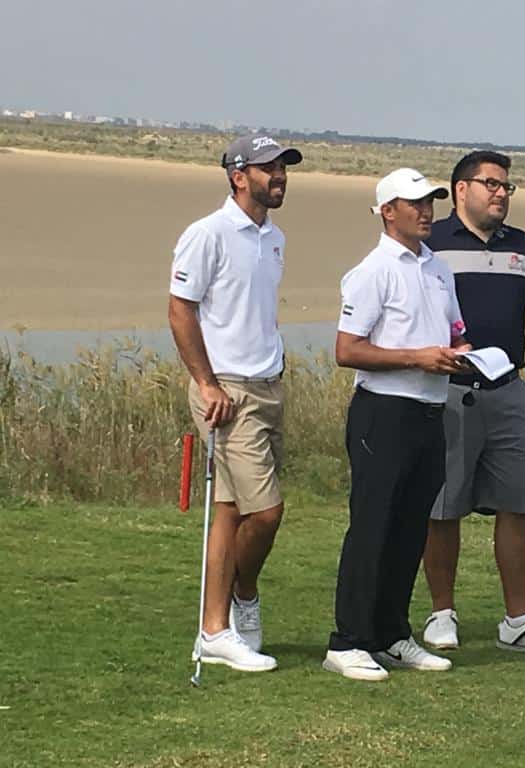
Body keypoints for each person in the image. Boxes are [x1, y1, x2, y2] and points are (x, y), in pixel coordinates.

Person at [421, 151, 525, 657]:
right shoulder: (432, 243)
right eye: (490, 184)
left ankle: (519, 620)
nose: (500, 194)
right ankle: (441, 612)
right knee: (443, 506)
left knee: (517, 504)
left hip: (508, 390)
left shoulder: (524, 248)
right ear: (460, 190)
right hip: (447, 390)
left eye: (506, 186)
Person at [323, 168, 470, 682]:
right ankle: (347, 641)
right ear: (388, 211)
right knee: (372, 526)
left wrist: (462, 355)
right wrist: (417, 359)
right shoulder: (372, 271)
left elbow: (453, 331)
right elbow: (348, 350)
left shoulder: (438, 269)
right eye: (414, 203)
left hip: (430, 412)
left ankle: (390, 633)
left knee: (410, 529)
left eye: (429, 201)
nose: (426, 210)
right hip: (382, 413)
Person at [169, 134, 303, 672]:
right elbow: (181, 311)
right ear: (238, 175)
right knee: (266, 511)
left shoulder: (274, 238)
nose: (280, 176)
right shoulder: (208, 234)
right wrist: (205, 384)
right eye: (269, 168)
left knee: (229, 511)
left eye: (284, 168)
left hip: (267, 384)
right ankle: (242, 596)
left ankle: (215, 628)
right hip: (225, 389)